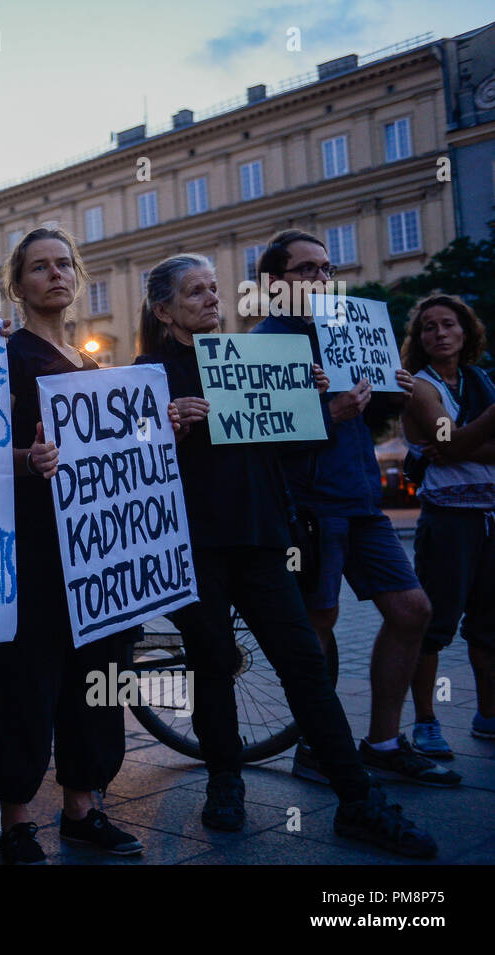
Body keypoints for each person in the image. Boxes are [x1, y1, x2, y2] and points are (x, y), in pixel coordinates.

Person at [135, 253, 437, 857]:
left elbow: (291, 441)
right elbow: (127, 456)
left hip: (263, 534)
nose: (211, 299)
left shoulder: (253, 359)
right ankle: (225, 781)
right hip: (194, 541)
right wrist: (162, 426)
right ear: (164, 310)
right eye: (195, 292)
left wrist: (325, 408)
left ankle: (357, 800)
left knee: (302, 662)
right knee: (213, 661)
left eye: (215, 289)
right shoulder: (146, 373)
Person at [250, 229, 460, 787]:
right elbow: (262, 439)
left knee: (413, 610)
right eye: (307, 270)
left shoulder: (345, 330)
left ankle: (384, 742)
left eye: (326, 268)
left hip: (362, 499)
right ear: (275, 284)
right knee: (318, 623)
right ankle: (317, 748)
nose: (322, 278)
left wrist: (392, 392)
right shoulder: (264, 343)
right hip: (309, 506)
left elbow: (374, 420)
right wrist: (331, 413)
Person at [0, 228, 144, 863]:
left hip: (97, 555)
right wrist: (26, 459)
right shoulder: (5, 356)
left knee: (100, 679)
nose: (55, 275)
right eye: (39, 267)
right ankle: (17, 820)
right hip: (34, 552)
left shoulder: (91, 364)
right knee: (28, 682)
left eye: (64, 265)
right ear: (17, 286)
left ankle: (83, 807)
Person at [399, 293, 495, 751]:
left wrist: (457, 445)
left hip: (490, 516)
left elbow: (453, 445)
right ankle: (426, 723)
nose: (440, 333)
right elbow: (448, 443)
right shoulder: (420, 386)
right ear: (419, 340)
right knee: (434, 626)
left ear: (465, 331)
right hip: (448, 521)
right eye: (429, 327)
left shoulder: (479, 380)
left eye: (449, 324)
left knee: (488, 625)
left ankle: (488, 715)